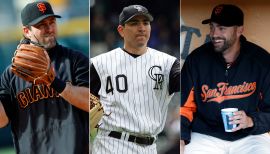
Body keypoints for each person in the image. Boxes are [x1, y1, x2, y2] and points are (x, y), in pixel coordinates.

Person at [0, 1, 89, 153]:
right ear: (26, 31)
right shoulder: (12, 74)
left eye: (52, 22)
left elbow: (91, 103)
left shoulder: (75, 60)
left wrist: (54, 82)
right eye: (41, 25)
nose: (49, 28)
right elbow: (2, 120)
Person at [180, 4, 270, 154]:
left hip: (250, 135)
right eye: (212, 27)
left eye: (222, 28)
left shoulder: (261, 61)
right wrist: (181, 138)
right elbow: (183, 107)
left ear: (239, 30)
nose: (214, 34)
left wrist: (251, 121)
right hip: (205, 135)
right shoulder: (196, 60)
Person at [90, 4, 180, 154]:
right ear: (121, 30)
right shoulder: (99, 64)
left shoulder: (168, 64)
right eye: (134, 23)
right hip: (111, 144)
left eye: (146, 23)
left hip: (150, 147)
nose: (141, 27)